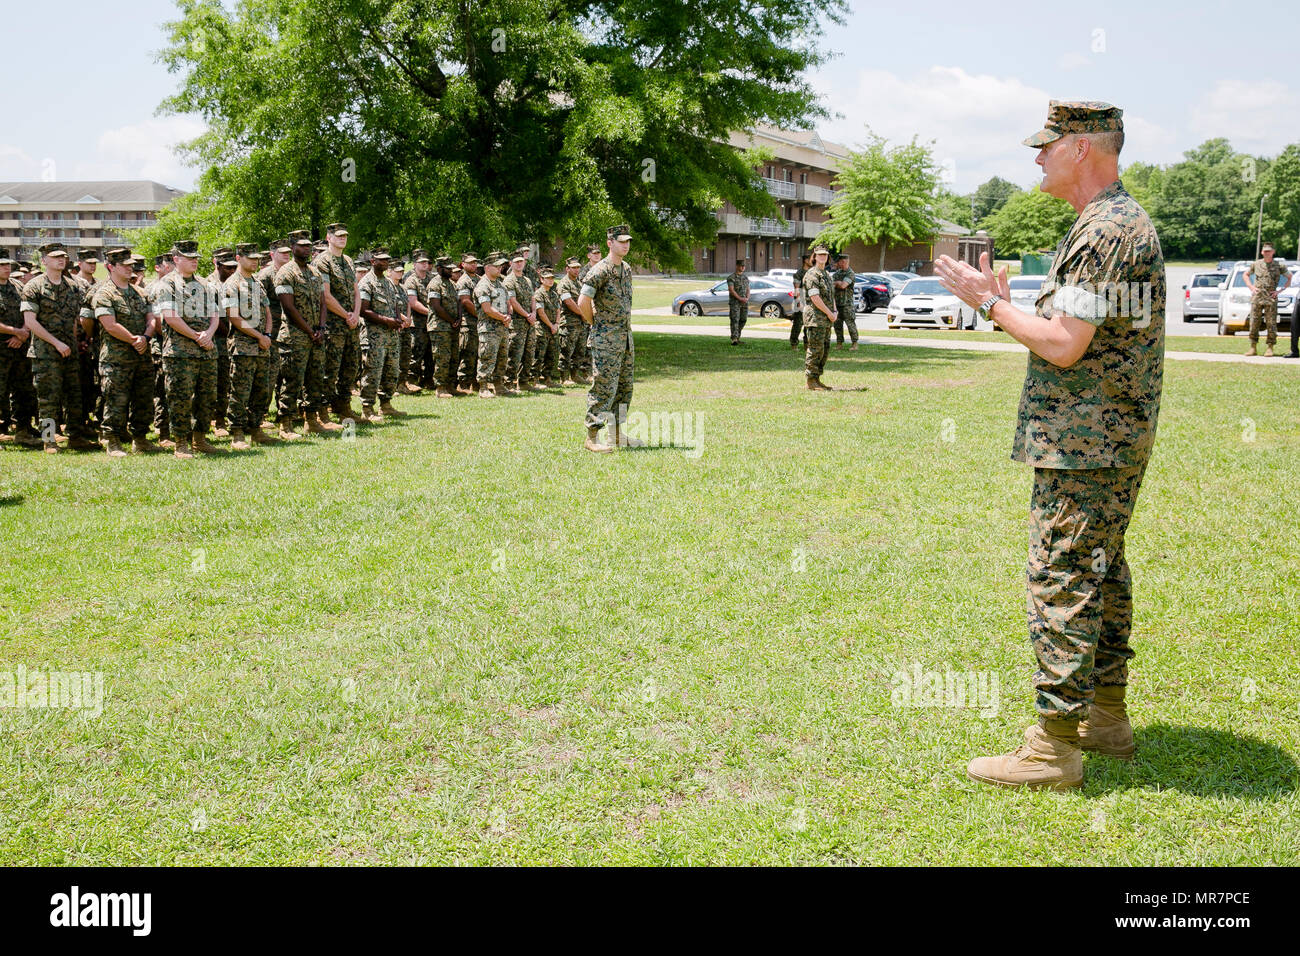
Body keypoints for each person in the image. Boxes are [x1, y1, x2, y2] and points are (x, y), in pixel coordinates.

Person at [935, 99, 1164, 790]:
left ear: (1084, 149)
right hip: (1107, 437)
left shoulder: (1105, 229)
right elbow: (1079, 329)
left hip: (1087, 441)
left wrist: (989, 303)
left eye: (1048, 145)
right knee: (1102, 573)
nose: (1036, 156)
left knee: (1063, 578)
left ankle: (1053, 750)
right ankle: (1105, 717)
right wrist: (1015, 306)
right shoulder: (1112, 223)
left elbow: (1065, 346)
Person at [21, 242, 97, 453]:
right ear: (44, 261)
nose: (61, 260)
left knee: (74, 395)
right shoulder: (34, 286)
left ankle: (76, 437)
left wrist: (76, 340)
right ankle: (49, 439)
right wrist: (56, 342)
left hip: (69, 351)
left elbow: (74, 319)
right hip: (45, 353)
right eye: (55, 257)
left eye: (63, 256)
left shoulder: (72, 286)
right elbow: (30, 322)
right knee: (48, 398)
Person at [155, 239, 222, 458]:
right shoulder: (167, 284)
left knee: (207, 397)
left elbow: (215, 315)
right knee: (180, 398)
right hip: (180, 352)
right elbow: (170, 317)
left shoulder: (205, 284)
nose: (194, 262)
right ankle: (181, 443)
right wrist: (196, 337)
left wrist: (209, 334)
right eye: (189, 258)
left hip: (206, 350)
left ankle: (200, 439)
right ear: (176, 259)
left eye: (196, 258)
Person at [91, 247, 158, 456]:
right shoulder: (103, 293)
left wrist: (145, 337)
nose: (131, 268)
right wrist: (133, 339)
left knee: (143, 399)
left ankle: (140, 439)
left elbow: (152, 319)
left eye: (132, 265)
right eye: (125, 265)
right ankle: (113, 441)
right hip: (116, 358)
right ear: (111, 267)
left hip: (141, 355)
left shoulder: (140, 292)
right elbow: (109, 325)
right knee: (115, 400)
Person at [578, 224, 638, 452]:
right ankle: (591, 438)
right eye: (621, 241)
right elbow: (583, 301)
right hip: (605, 340)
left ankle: (616, 435)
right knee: (603, 388)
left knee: (624, 389)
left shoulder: (627, 269)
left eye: (628, 241)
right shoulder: (599, 270)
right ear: (609, 243)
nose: (625, 245)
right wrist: (596, 324)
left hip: (624, 340)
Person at [275, 230, 333, 437]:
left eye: (309, 245)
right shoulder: (285, 273)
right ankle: (286, 425)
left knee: (315, 379)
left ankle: (311, 421)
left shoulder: (314, 272)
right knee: (292, 381)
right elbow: (289, 308)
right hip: (295, 337)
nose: (307, 249)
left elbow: (322, 302)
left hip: (316, 336)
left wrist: (321, 328)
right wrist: (310, 331)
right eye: (302, 245)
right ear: (293, 248)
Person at [223, 243, 277, 449]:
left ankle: (256, 429)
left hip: (262, 346)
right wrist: (259, 336)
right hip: (243, 346)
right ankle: (237, 433)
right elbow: (234, 318)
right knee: (240, 391)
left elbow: (267, 312)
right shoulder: (232, 284)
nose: (255, 261)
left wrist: (268, 334)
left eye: (257, 258)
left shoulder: (257, 283)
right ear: (239, 258)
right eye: (250, 258)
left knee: (261, 390)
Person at [313, 222, 361, 424]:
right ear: (329, 237)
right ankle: (322, 412)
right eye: (338, 235)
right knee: (330, 370)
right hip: (333, 325)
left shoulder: (348, 261)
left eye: (345, 236)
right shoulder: (322, 262)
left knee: (350, 368)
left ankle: (344, 407)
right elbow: (325, 295)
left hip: (350, 325)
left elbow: (356, 289)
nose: (342, 239)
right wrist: (346, 315)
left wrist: (356, 314)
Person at [356, 247, 405, 421]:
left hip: (391, 335)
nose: (385, 262)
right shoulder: (366, 282)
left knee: (392, 370)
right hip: (374, 335)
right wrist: (386, 320)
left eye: (387, 260)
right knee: (373, 371)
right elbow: (363, 310)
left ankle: (386, 404)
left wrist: (398, 318)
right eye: (381, 260)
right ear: (372, 261)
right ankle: (367, 408)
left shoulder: (389, 282)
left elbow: (396, 304)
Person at [0, 252, 39, 447]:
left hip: (20, 347)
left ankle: (22, 430)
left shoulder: (18, 287)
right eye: (2, 265)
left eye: (8, 264)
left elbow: (30, 311)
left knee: (25, 390)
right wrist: (14, 331)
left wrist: (22, 332)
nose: (7, 268)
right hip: (2, 349)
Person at [473, 251, 514, 397]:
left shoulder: (500, 284)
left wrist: (508, 315)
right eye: (496, 266)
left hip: (502, 328)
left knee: (502, 358)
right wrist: (503, 317)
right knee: (487, 357)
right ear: (487, 267)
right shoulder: (483, 285)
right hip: (489, 328)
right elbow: (487, 309)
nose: (499, 269)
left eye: (500, 266)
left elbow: (509, 303)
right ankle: (483, 387)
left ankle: (499, 385)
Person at [146, 252, 175, 448]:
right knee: (162, 389)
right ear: (158, 267)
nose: (172, 266)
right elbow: (156, 321)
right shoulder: (154, 288)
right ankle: (163, 431)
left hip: (177, 343)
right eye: (168, 263)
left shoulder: (179, 285)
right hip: (160, 344)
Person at [425, 255, 460, 398]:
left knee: (453, 356)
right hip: (439, 327)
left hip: (452, 326)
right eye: (447, 268)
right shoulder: (434, 284)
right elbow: (436, 306)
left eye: (452, 268)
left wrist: (458, 318)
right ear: (439, 269)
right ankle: (440, 387)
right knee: (442, 357)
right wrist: (452, 320)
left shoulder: (452, 284)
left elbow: (459, 303)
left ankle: (450, 385)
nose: (451, 271)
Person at [801, 244, 836, 390]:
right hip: (815, 318)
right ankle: (810, 380)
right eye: (820, 254)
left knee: (824, 350)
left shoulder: (827, 275)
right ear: (814, 257)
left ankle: (817, 379)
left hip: (826, 319)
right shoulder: (811, 275)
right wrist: (829, 313)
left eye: (825, 255)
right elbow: (815, 297)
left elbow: (831, 296)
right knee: (815, 349)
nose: (822, 257)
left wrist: (834, 311)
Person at [1244, 242, 1287, 357]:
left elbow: (1290, 277)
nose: (1266, 253)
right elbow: (1245, 275)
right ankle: (1253, 347)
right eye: (1265, 251)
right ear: (1262, 252)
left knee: (1271, 323)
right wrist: (1251, 287)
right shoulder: (1256, 264)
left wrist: (1280, 290)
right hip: (1257, 298)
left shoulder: (1279, 265)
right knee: (1254, 322)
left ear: (1273, 252)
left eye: (1269, 251)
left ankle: (1270, 347)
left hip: (1271, 298)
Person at [502, 251, 537, 391]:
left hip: (530, 322)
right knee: (515, 354)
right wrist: (527, 315)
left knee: (529, 354)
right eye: (516, 261)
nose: (519, 264)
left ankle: (524, 382)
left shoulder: (527, 280)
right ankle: (509, 383)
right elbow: (513, 302)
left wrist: (533, 313)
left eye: (521, 261)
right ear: (511, 263)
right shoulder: (509, 281)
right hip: (517, 323)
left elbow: (533, 299)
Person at [556, 256, 591, 386]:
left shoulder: (579, 283)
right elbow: (568, 302)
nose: (576, 270)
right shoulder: (564, 284)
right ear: (567, 269)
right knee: (567, 350)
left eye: (578, 268)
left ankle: (574, 375)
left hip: (581, 324)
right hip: (569, 324)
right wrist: (583, 314)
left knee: (580, 350)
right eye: (574, 268)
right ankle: (564, 378)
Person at [403, 249, 433, 393]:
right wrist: (432, 313)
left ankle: (428, 380)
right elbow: (413, 303)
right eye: (421, 262)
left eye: (426, 262)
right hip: (418, 323)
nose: (424, 265)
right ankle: (411, 380)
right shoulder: (411, 280)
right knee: (416, 352)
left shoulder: (432, 278)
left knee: (430, 352)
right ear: (415, 264)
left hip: (431, 323)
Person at [455, 252, 481, 393]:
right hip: (469, 323)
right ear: (463, 264)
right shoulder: (463, 281)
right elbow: (465, 302)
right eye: (470, 263)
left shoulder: (480, 279)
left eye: (475, 262)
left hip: (480, 323)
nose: (474, 265)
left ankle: (475, 383)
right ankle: (463, 384)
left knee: (479, 354)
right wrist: (481, 315)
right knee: (468, 354)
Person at [531, 267, 561, 387]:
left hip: (553, 328)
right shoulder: (538, 294)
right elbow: (541, 312)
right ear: (541, 279)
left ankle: (548, 378)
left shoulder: (553, 294)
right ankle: (535, 380)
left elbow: (558, 309)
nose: (550, 280)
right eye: (547, 278)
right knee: (539, 355)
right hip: (542, 328)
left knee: (551, 354)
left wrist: (557, 324)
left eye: (552, 278)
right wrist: (551, 325)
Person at [831, 252, 859, 350]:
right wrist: (837, 283)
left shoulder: (850, 273)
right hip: (837, 303)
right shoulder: (837, 273)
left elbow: (843, 285)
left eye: (838, 262)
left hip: (847, 304)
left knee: (850, 324)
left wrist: (838, 283)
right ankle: (839, 344)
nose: (837, 264)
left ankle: (854, 343)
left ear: (843, 262)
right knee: (837, 325)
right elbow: (831, 284)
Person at [790, 251, 812, 349]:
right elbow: (797, 288)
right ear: (805, 260)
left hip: (810, 301)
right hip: (801, 300)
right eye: (811, 259)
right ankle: (794, 343)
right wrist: (798, 301)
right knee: (798, 324)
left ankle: (807, 343)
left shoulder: (812, 272)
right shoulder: (799, 273)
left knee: (809, 324)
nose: (813, 261)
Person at [726, 258, 749, 345]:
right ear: (737, 266)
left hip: (744, 302)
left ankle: (738, 336)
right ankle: (734, 339)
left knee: (743, 319)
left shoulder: (745, 277)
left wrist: (747, 298)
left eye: (744, 266)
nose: (743, 267)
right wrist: (740, 298)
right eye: (741, 266)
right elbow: (731, 290)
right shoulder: (731, 278)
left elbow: (748, 289)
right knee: (735, 319)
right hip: (735, 302)